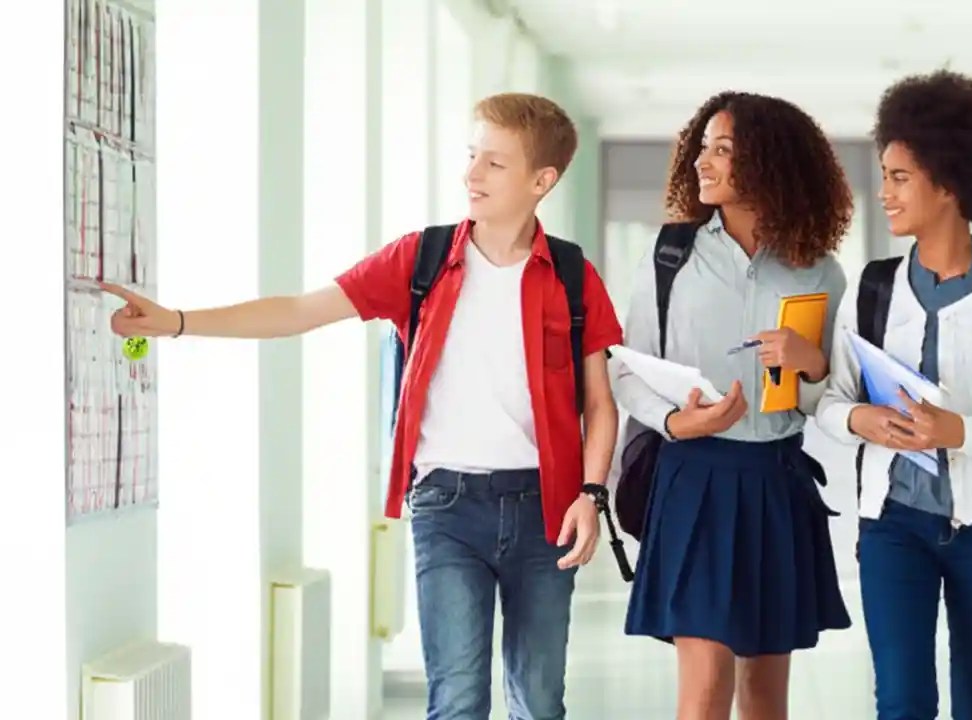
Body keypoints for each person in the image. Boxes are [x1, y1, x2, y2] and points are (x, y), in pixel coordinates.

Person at [103, 93, 623, 720]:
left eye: (494, 163)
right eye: (470, 157)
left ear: (543, 181)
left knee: (539, 703)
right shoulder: (421, 260)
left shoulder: (570, 275)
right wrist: (179, 321)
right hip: (446, 508)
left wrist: (591, 495)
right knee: (457, 701)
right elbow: (300, 310)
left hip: (546, 510)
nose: (471, 175)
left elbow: (600, 403)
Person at [816, 70, 972, 720]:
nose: (885, 193)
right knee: (901, 702)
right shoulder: (873, 289)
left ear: (949, 183)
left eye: (900, 177)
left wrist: (959, 432)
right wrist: (862, 418)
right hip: (893, 525)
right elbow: (829, 401)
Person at [613, 91, 855, 720]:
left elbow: (826, 399)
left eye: (723, 150)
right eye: (703, 148)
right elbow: (627, 369)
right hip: (694, 477)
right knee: (703, 691)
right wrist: (673, 420)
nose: (702, 162)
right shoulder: (671, 256)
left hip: (778, 482)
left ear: (769, 163)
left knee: (766, 698)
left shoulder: (819, 271)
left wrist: (812, 365)